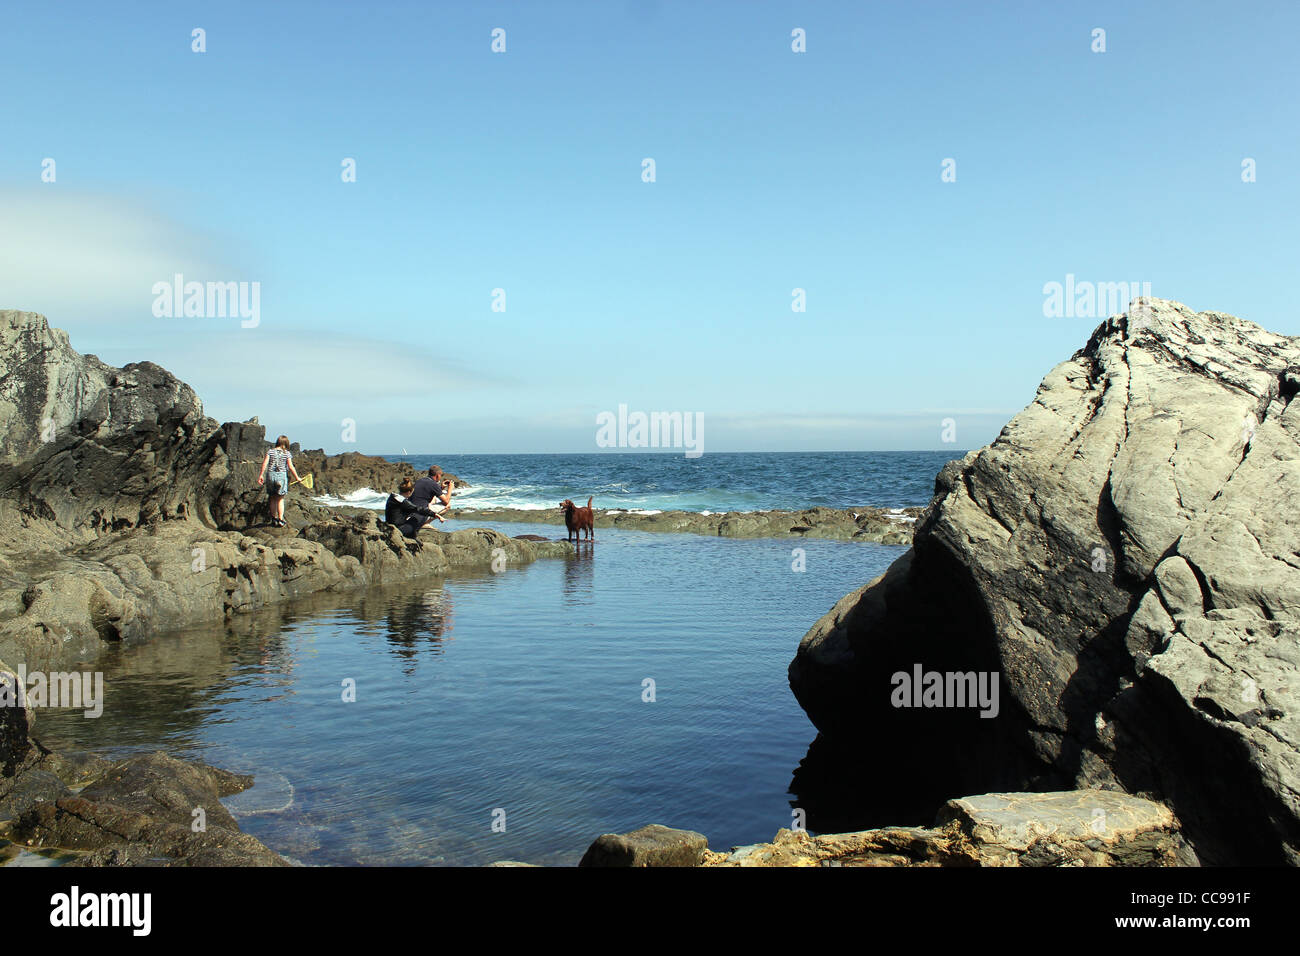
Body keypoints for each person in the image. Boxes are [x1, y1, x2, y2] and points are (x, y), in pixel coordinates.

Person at [257, 435, 302, 527]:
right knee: (280, 498)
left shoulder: (270, 452)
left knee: (272, 497)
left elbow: (265, 463)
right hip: (281, 476)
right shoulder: (287, 453)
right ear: (286, 443)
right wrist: (297, 477)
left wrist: (261, 475)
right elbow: (290, 466)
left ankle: (274, 519)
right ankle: (280, 520)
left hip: (270, 475)